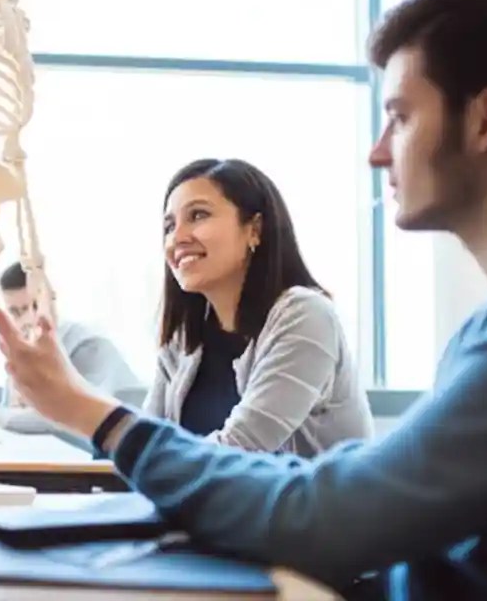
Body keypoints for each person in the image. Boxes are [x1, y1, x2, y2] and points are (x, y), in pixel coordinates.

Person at [0, 0, 487, 600]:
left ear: (485, 119)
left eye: (400, 116)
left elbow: (333, 515)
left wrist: (92, 413)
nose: (377, 151)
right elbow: (359, 484)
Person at [148, 158, 373, 455]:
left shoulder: (306, 315)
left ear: (254, 229)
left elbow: (241, 450)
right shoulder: (183, 339)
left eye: (198, 215)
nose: (177, 237)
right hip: (214, 501)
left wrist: (150, 464)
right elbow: (147, 444)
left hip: (310, 502)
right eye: (169, 225)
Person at [0, 262, 145, 436]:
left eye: (33, 307)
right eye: (15, 313)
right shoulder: (24, 351)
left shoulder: (88, 347)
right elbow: (11, 410)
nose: (25, 320)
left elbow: (68, 418)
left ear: (49, 299)